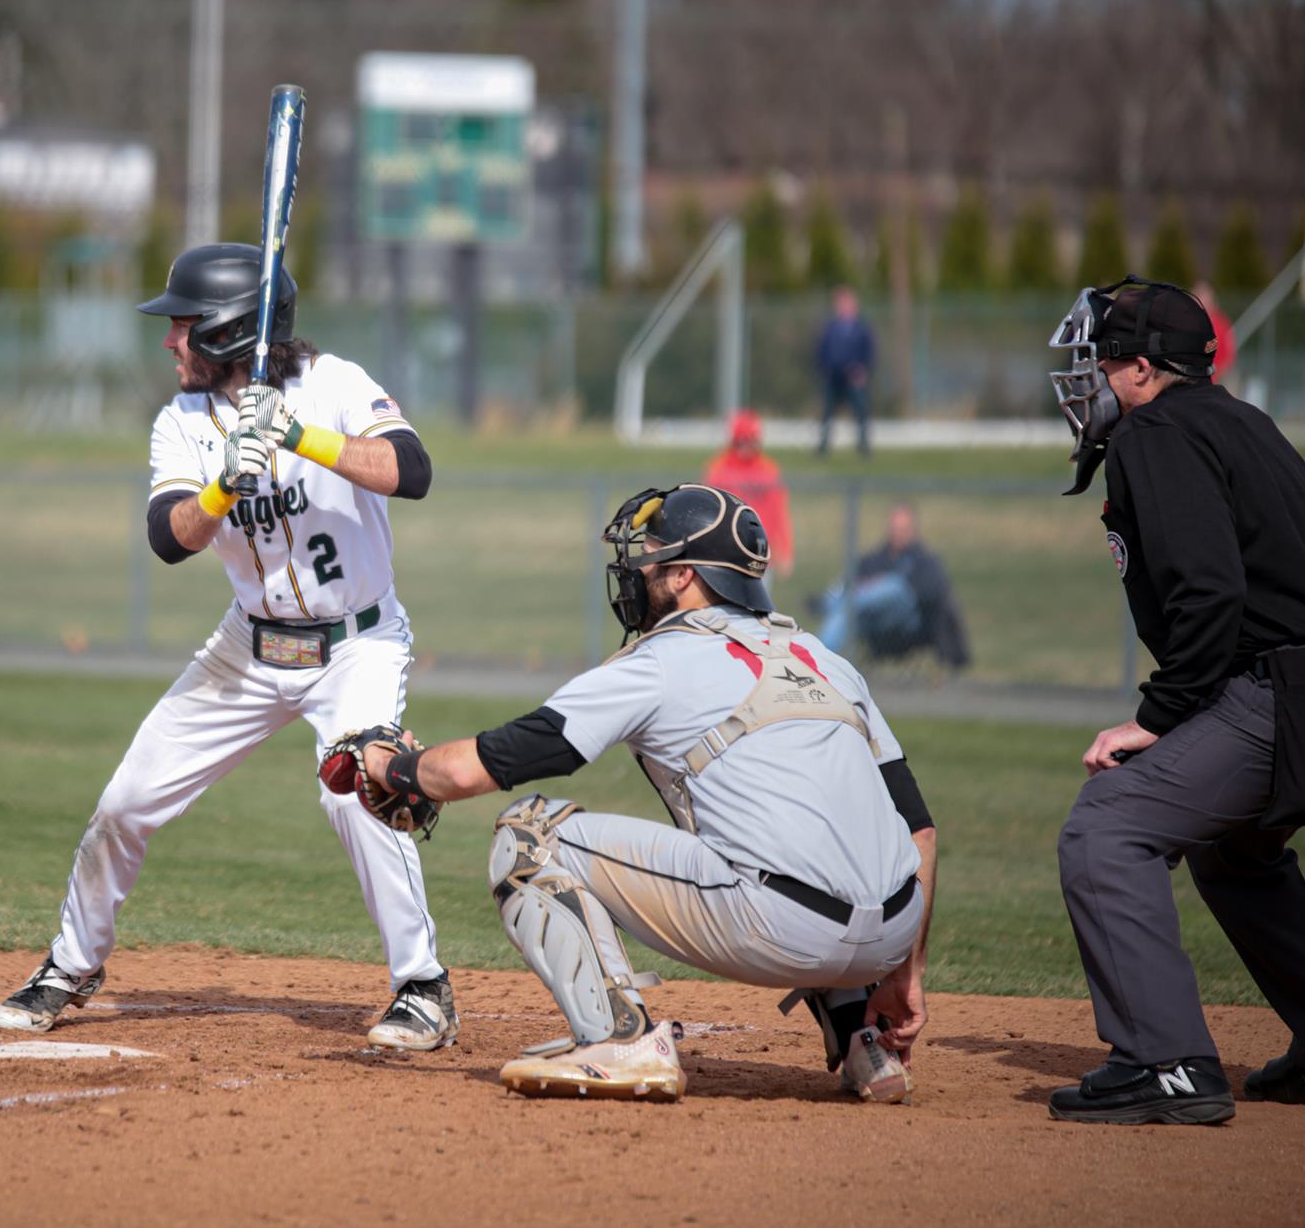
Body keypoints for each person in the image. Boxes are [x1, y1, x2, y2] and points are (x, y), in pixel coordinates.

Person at [0, 242, 456, 1050]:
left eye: (183, 327)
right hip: (248, 646)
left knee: (355, 787)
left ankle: (424, 987)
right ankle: (72, 963)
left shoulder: (334, 384)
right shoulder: (180, 422)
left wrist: (298, 436)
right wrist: (223, 487)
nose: (169, 341)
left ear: (229, 334)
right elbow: (168, 538)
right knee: (127, 801)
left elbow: (410, 469)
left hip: (357, 645)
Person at [344, 484, 937, 1103]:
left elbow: (486, 766)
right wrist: (907, 970)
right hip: (893, 936)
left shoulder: (657, 659)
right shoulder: (824, 659)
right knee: (796, 831)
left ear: (684, 576)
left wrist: (397, 767)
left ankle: (620, 1040)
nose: (636, 567)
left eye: (651, 554)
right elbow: (919, 831)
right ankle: (866, 1042)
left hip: (781, 928)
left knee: (530, 836)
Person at [1046, 274, 1305, 1124]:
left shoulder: (1155, 432)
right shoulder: (1242, 419)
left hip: (1283, 692)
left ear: (1140, 371)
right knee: (1233, 849)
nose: (1091, 378)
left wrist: (1157, 717)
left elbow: (1211, 594)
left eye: (1101, 360)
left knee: (1105, 829)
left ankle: (1165, 1060)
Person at [817, 503, 970, 672]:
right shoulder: (874, 559)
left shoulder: (924, 561)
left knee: (894, 586)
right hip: (875, 624)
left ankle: (832, 602)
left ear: (913, 530)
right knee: (845, 613)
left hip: (909, 623)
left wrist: (884, 584)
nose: (898, 533)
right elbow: (851, 580)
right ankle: (819, 665)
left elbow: (933, 592)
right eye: (895, 528)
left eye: (903, 528)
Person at [702, 409, 793, 580]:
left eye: (751, 440)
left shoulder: (767, 470)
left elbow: (779, 513)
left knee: (757, 603)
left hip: (759, 552)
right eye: (742, 440)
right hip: (726, 552)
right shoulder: (720, 468)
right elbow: (709, 511)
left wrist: (785, 550)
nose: (747, 446)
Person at [814, 286, 875, 457]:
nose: (843, 306)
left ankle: (864, 447)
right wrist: (824, 369)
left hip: (854, 378)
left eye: (847, 302)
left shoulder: (861, 328)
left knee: (861, 412)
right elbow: (821, 350)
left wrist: (863, 371)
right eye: (840, 303)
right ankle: (823, 447)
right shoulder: (830, 327)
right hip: (833, 377)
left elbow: (869, 351)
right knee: (827, 413)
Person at [1192, 282, 1236, 384]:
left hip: (1215, 379)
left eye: (1201, 297)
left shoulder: (1220, 324)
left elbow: (1228, 355)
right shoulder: (1188, 322)